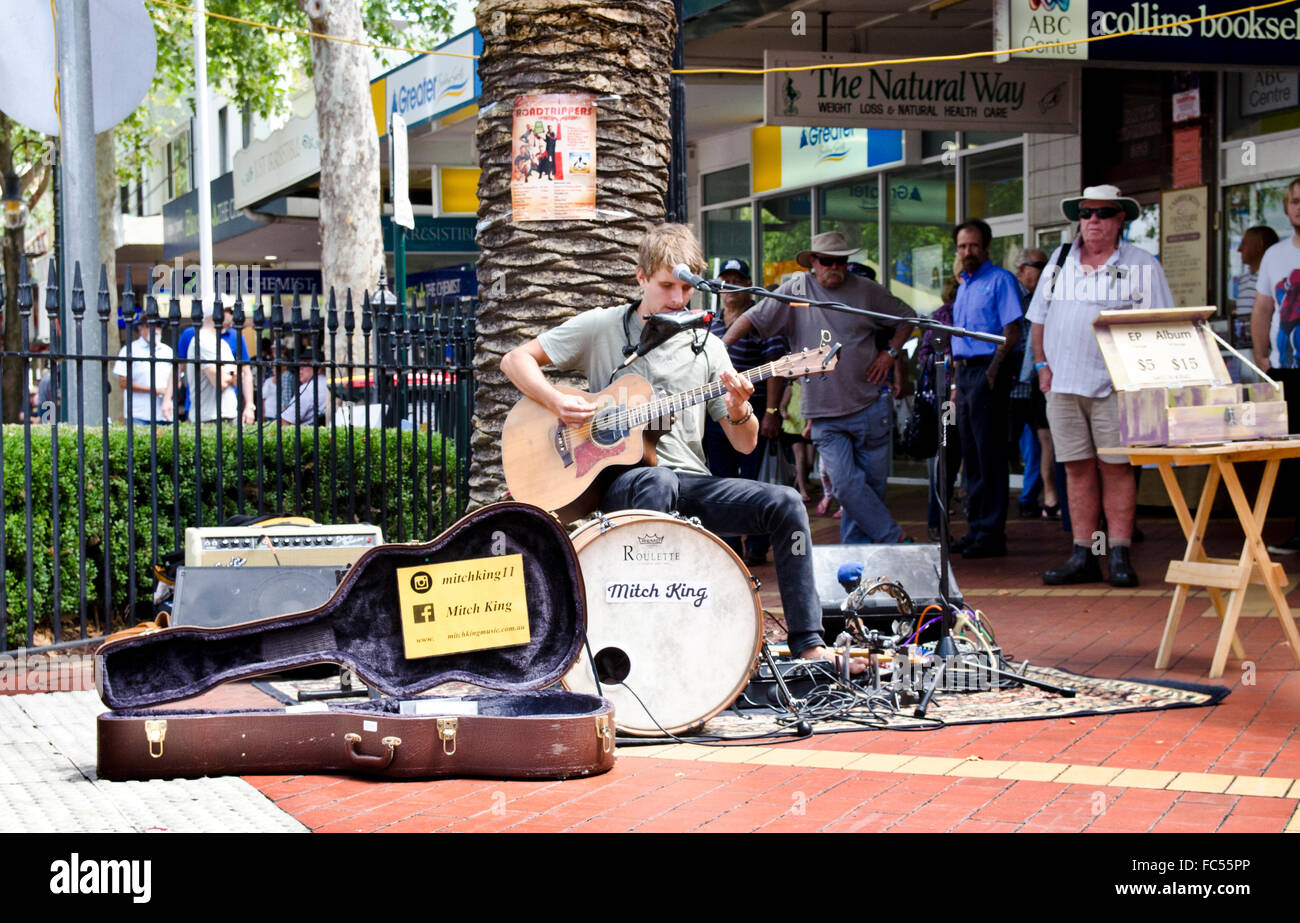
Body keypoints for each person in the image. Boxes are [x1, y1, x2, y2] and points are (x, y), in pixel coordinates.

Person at [500, 223, 862, 672]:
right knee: (656, 479)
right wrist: (558, 402)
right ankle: (649, 637)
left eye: (686, 287)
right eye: (666, 286)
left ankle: (809, 643)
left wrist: (738, 408)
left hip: (689, 483)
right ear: (640, 278)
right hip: (620, 486)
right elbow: (515, 360)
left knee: (786, 501)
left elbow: (745, 445)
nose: (677, 297)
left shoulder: (707, 348)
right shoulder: (602, 327)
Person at [724, 230, 916, 545]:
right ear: (813, 261)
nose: (834, 267)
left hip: (870, 406)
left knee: (867, 492)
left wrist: (890, 352)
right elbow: (752, 318)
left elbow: (907, 318)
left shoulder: (867, 290)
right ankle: (894, 538)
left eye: (841, 261)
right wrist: (720, 348)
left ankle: (857, 567)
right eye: (827, 261)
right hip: (825, 415)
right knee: (845, 487)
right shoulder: (797, 289)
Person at [1027, 184, 1174, 586]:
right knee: (1076, 470)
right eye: (1086, 213)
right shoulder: (1058, 262)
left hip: (1117, 386)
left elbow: (1158, 326)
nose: (1093, 220)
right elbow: (1038, 319)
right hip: (1062, 384)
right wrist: (1041, 365)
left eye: (1103, 213)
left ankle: (1120, 554)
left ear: (1120, 219)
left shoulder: (1143, 264)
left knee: (1116, 470)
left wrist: (1144, 383)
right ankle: (1086, 555)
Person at [701, 257, 788, 566]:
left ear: (748, 285)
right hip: (715, 417)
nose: (731, 285)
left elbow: (778, 368)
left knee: (753, 482)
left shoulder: (761, 323)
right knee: (721, 481)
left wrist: (772, 412)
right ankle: (728, 543)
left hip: (753, 414)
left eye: (738, 279)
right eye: (726, 279)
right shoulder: (710, 323)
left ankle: (756, 544)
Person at [950, 219, 1023, 558]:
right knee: (972, 456)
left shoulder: (1000, 280)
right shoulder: (964, 284)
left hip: (987, 371)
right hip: (964, 375)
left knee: (990, 455)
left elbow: (1012, 331)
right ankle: (977, 528)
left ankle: (992, 532)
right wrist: (955, 382)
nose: (968, 252)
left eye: (974, 245)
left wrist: (993, 372)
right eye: (963, 246)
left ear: (986, 246)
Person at [1249, 178, 1300, 554]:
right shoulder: (1276, 256)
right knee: (1294, 454)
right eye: (1295, 202)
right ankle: (1299, 530)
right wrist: (1261, 354)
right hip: (1288, 369)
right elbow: (1263, 307)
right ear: (1286, 209)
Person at [1010, 248, 1059, 520]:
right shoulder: (1012, 296)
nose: (1044, 271)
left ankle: (1032, 497)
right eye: (1039, 265)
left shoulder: (1050, 296)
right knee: (1004, 445)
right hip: (1012, 385)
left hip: (1035, 385)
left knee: (1040, 444)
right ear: (1021, 270)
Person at [916, 276, 962, 543]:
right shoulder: (944, 316)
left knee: (948, 464)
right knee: (946, 463)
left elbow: (924, 354)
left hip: (951, 397)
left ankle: (939, 524)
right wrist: (950, 368)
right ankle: (938, 525)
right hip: (947, 399)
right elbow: (926, 355)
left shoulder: (943, 315)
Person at [113, 315, 175, 425]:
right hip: (139, 415)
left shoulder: (168, 351)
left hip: (165, 415)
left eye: (158, 326)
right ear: (140, 329)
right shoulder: (129, 350)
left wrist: (168, 392)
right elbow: (123, 382)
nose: (155, 329)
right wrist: (155, 390)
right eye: (149, 326)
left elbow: (176, 380)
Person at [1234, 225, 1280, 349]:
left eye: (1244, 244)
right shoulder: (1243, 279)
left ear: (1259, 245)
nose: (1239, 249)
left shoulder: (1277, 278)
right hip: (1243, 347)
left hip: (1268, 350)